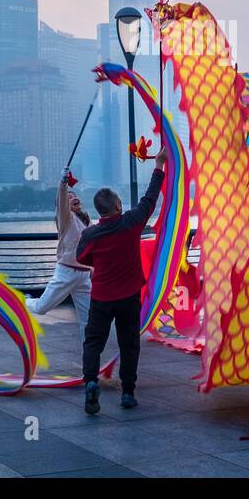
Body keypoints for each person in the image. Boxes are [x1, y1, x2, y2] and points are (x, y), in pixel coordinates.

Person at [76, 149, 168, 414]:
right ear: (117, 206)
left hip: (102, 297)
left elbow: (82, 258)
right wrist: (159, 165)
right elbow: (150, 199)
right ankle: (128, 392)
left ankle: (91, 382)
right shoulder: (131, 221)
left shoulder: (92, 234)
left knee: (93, 342)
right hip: (128, 297)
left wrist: (101, 265)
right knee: (129, 343)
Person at [25, 171, 92, 338]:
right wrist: (63, 184)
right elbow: (62, 201)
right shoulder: (66, 220)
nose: (73, 198)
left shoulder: (88, 221)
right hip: (66, 273)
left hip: (84, 276)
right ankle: (22, 301)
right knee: (41, 307)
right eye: (69, 198)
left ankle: (89, 359)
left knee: (88, 321)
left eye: (74, 196)